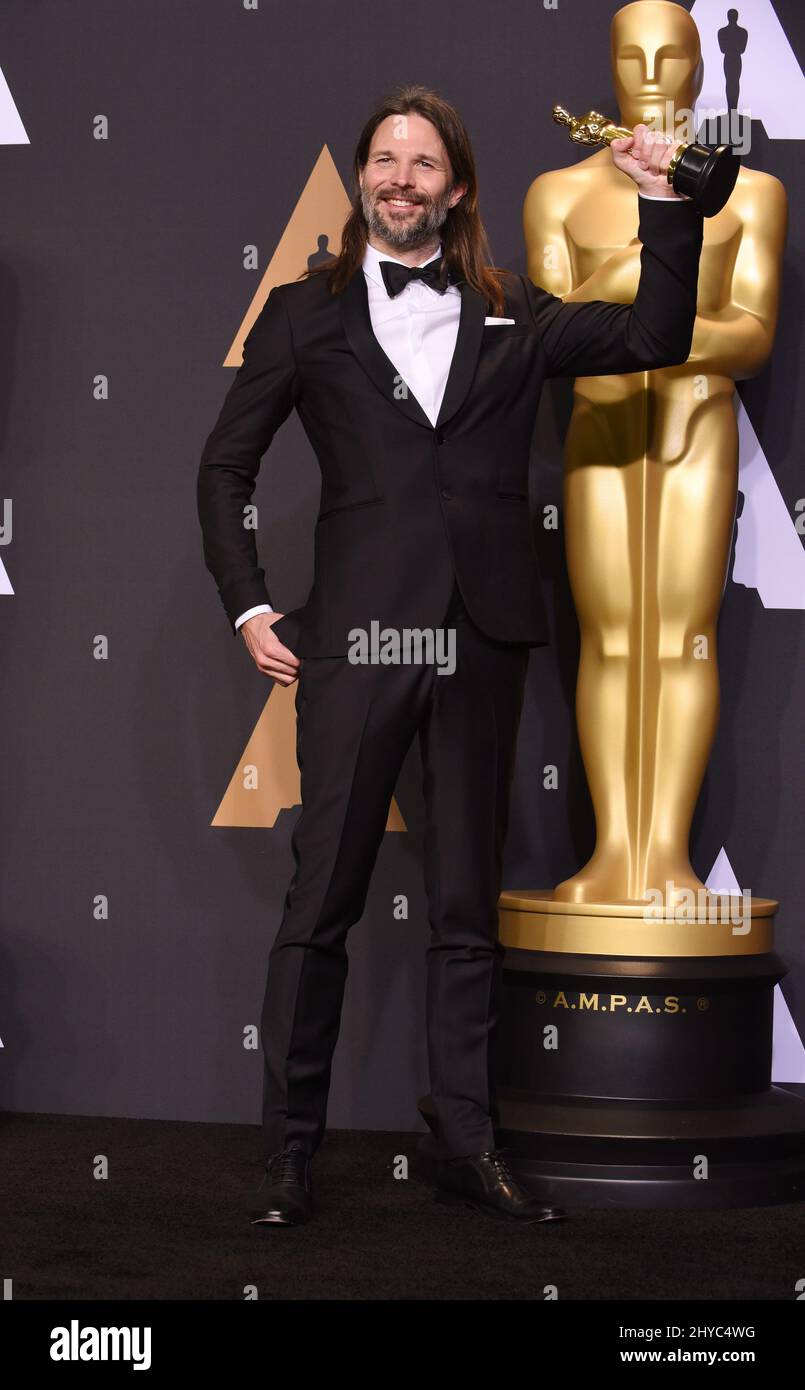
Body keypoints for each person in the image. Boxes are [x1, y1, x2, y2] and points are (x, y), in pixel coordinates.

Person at [197, 84, 703, 1226]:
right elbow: (222, 470)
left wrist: (665, 200)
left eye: (424, 163)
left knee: (467, 911)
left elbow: (653, 336)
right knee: (319, 899)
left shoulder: (516, 310)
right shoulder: (297, 315)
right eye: (386, 159)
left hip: (478, 638)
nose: (400, 179)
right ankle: (286, 1155)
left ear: (457, 187)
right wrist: (248, 605)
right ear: (365, 177)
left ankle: (467, 1146)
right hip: (360, 639)